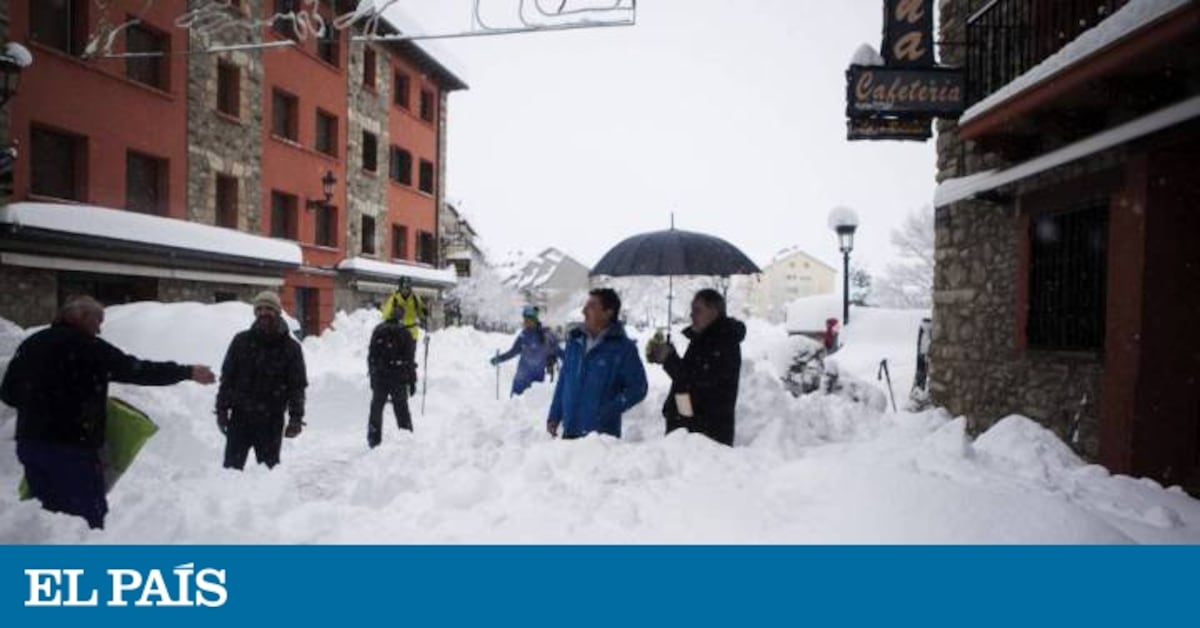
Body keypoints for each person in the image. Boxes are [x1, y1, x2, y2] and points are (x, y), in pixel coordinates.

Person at [0, 296, 215, 529]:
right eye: (97, 321)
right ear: (81, 317)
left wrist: (41, 403)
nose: (100, 329)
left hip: (31, 443)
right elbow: (138, 370)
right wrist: (187, 372)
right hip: (72, 447)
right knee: (84, 520)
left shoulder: (33, 344)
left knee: (44, 517)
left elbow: (9, 394)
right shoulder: (87, 347)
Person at [215, 291, 308, 470]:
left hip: (271, 420)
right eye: (260, 309)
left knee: (268, 473)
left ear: (278, 312)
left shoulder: (291, 348)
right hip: (240, 418)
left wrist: (296, 418)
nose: (264, 313)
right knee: (230, 472)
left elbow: (297, 386)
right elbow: (227, 378)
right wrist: (221, 410)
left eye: (269, 309)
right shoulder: (240, 341)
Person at [646, 289, 746, 446]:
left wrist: (670, 360)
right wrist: (669, 357)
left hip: (706, 436)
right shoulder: (703, 339)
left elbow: (696, 382)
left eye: (698, 310)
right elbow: (684, 382)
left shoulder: (722, 342)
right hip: (690, 429)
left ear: (714, 312)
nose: (692, 315)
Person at [547, 289, 647, 439]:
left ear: (608, 312)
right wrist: (555, 415)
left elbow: (638, 387)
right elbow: (564, 380)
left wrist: (608, 410)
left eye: (591, 306)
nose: (584, 311)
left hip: (601, 439)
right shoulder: (574, 341)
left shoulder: (622, 348)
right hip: (569, 431)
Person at [367, 310, 417, 447]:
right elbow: (410, 360)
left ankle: (373, 437)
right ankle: (406, 435)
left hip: (380, 376)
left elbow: (371, 356)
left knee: (376, 407)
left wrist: (372, 376)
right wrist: (412, 381)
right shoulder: (405, 333)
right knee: (401, 408)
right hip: (398, 377)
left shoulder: (378, 331)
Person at [490, 305, 563, 397]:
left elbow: (560, 352)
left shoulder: (547, 336)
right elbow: (513, 352)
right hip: (521, 379)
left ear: (534, 320)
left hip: (537, 381)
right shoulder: (523, 335)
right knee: (515, 406)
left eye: (528, 320)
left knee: (532, 407)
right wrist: (499, 359)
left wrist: (572, 362)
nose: (525, 322)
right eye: (524, 320)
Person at [380, 277, 427, 343]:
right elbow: (385, 315)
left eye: (407, 288)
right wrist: (393, 314)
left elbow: (421, 311)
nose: (405, 290)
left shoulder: (415, 299)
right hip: (398, 333)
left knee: (410, 352)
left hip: (412, 334)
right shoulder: (394, 299)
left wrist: (424, 314)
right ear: (400, 288)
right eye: (403, 288)